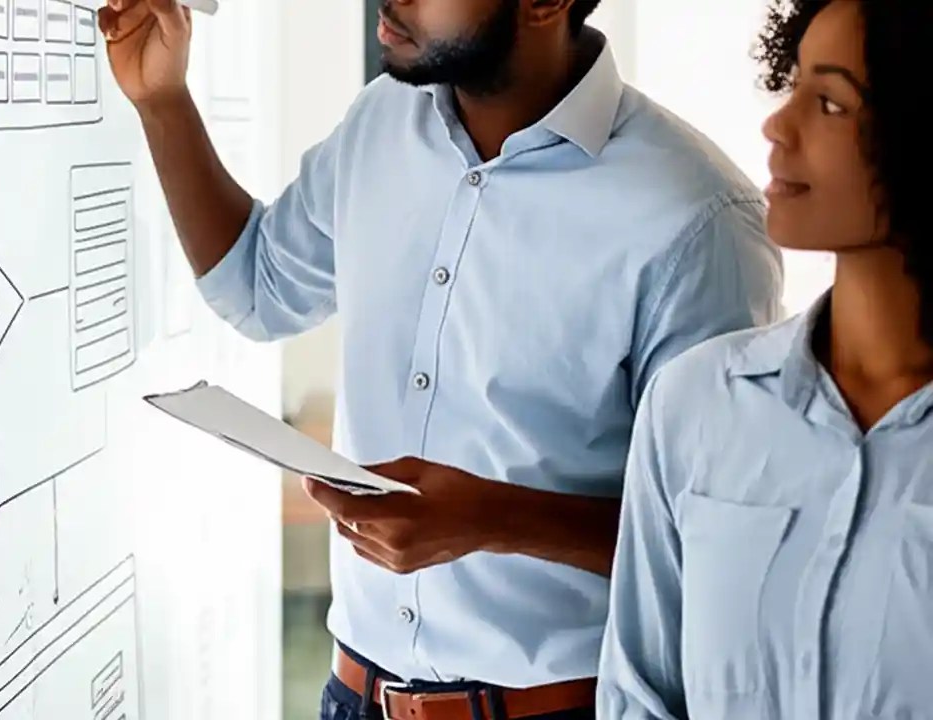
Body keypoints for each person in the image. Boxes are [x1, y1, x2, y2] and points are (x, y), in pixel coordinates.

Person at [98, 0, 784, 717]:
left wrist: (494, 517)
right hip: (354, 696)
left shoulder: (695, 218)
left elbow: (721, 545)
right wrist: (163, 102)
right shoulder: (380, 123)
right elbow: (259, 288)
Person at [596, 1, 933, 718]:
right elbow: (637, 698)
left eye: (831, 103)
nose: (778, 127)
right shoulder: (692, 404)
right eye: (793, 86)